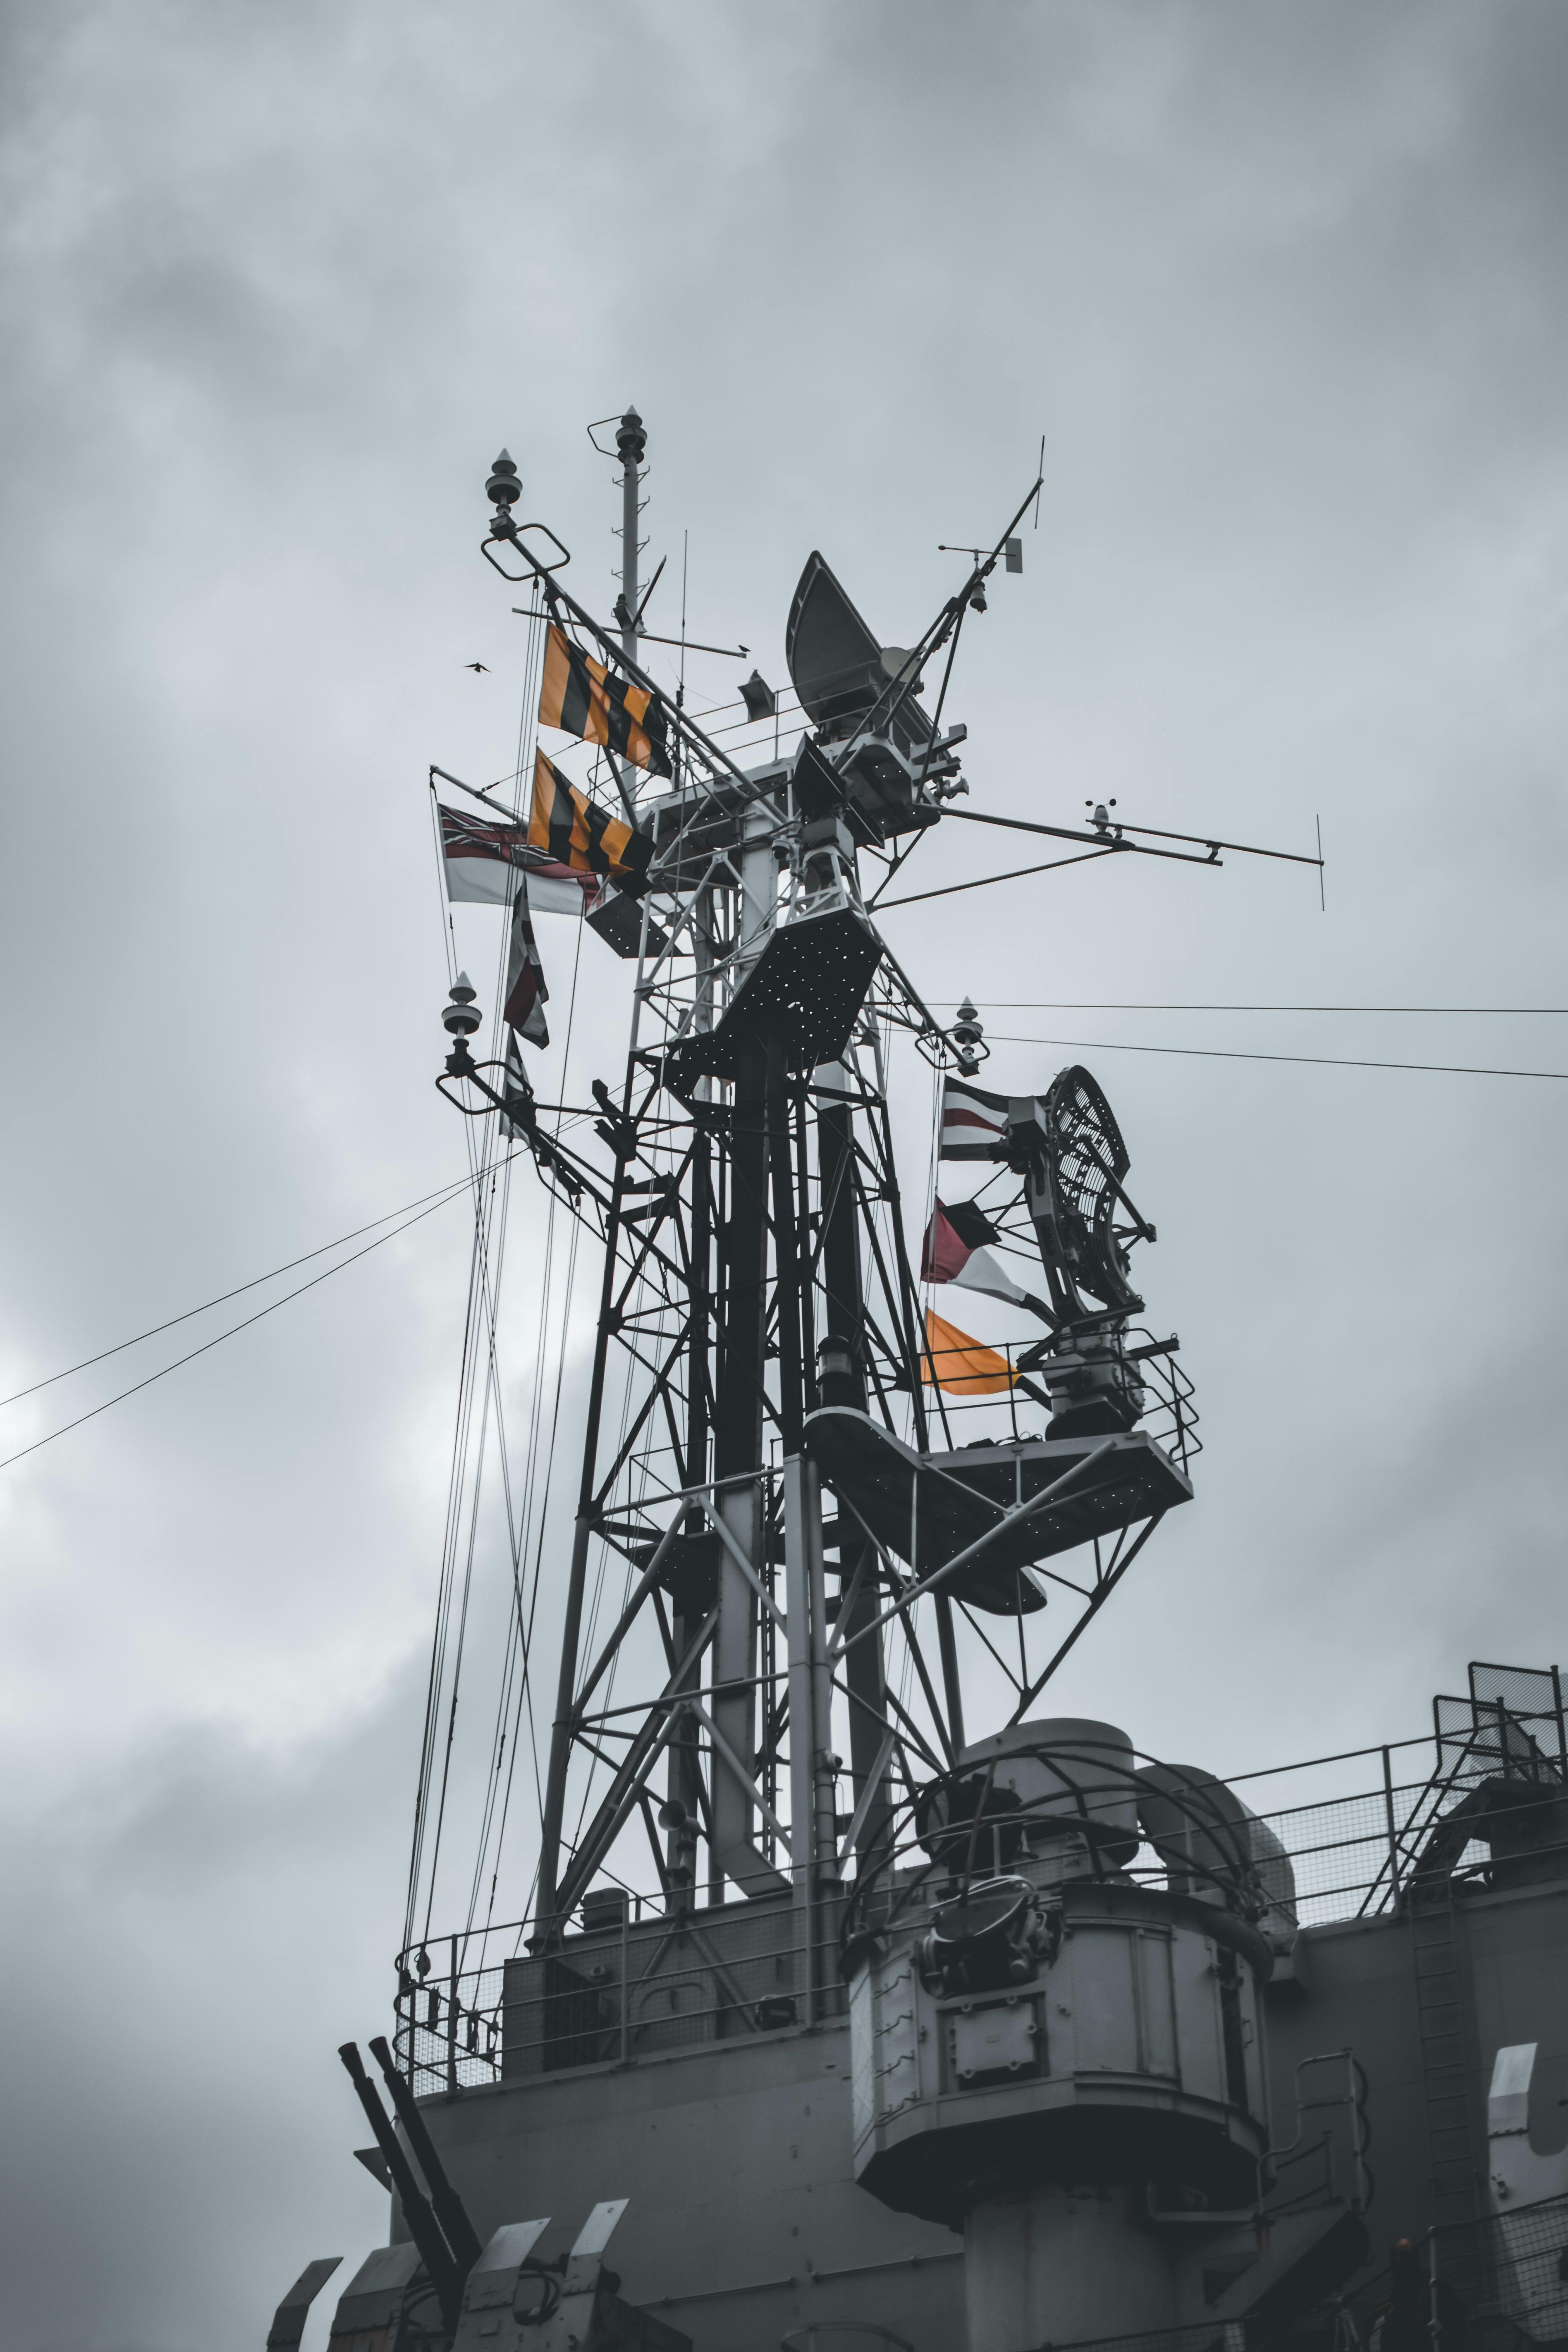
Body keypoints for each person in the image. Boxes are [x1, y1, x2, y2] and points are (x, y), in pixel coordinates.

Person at [1369, 2237, 1469, 2352]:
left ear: (1413, 2261)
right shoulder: (1399, 2290)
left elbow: (1457, 2321)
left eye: (1402, 2259)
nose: (1397, 2263)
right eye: (1395, 2258)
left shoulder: (1435, 2287)